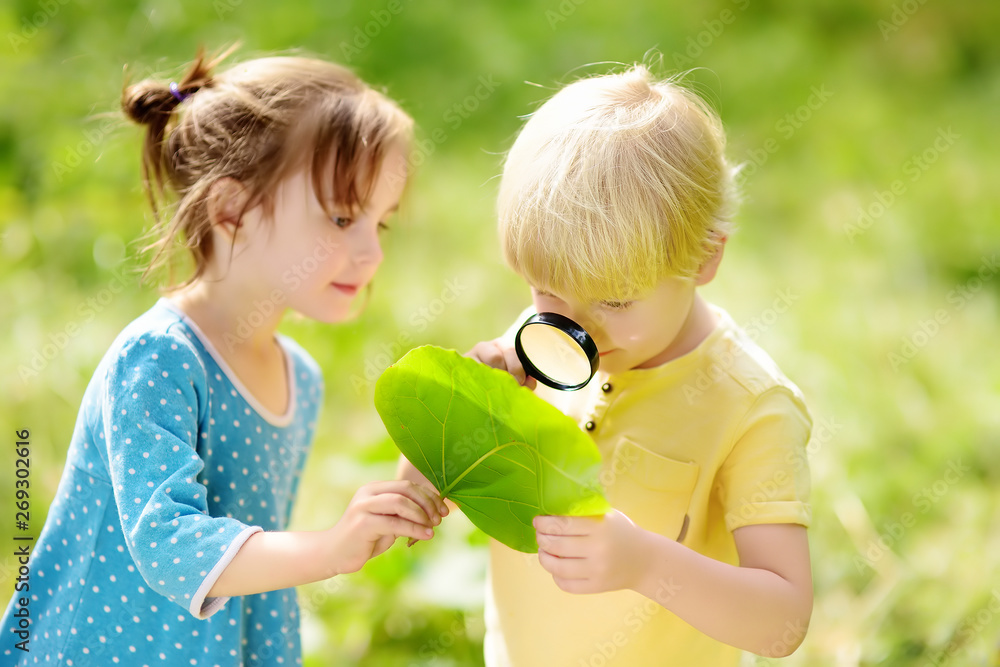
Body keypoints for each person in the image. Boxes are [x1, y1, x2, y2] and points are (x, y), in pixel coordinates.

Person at [1, 49, 447, 666]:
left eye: (382, 223)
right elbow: (168, 543)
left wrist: (438, 451)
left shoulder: (301, 378)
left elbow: (261, 546)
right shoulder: (158, 358)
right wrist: (330, 548)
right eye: (343, 216)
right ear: (231, 210)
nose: (370, 252)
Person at [403, 65, 813, 665]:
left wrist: (646, 563)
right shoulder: (536, 342)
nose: (577, 332)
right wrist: (460, 422)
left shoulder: (749, 407)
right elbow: (437, 486)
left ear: (704, 256)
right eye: (548, 293)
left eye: (615, 301)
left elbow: (783, 622)